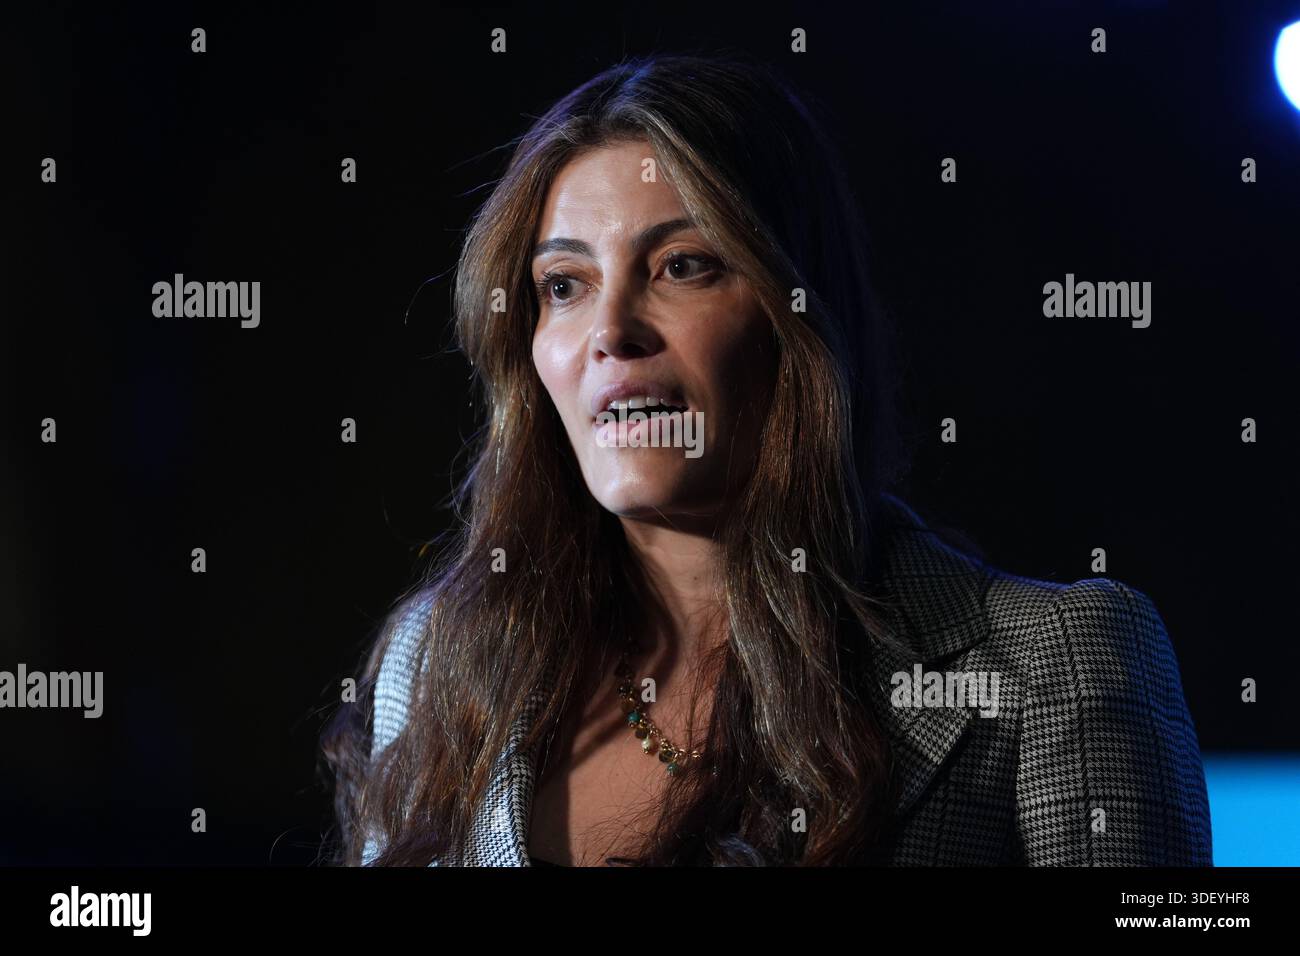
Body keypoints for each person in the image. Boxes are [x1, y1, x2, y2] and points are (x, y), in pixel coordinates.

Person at [321, 52, 1212, 867]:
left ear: (798, 314)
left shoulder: (1058, 662)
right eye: (565, 286)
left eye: (683, 266)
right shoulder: (437, 658)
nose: (610, 333)